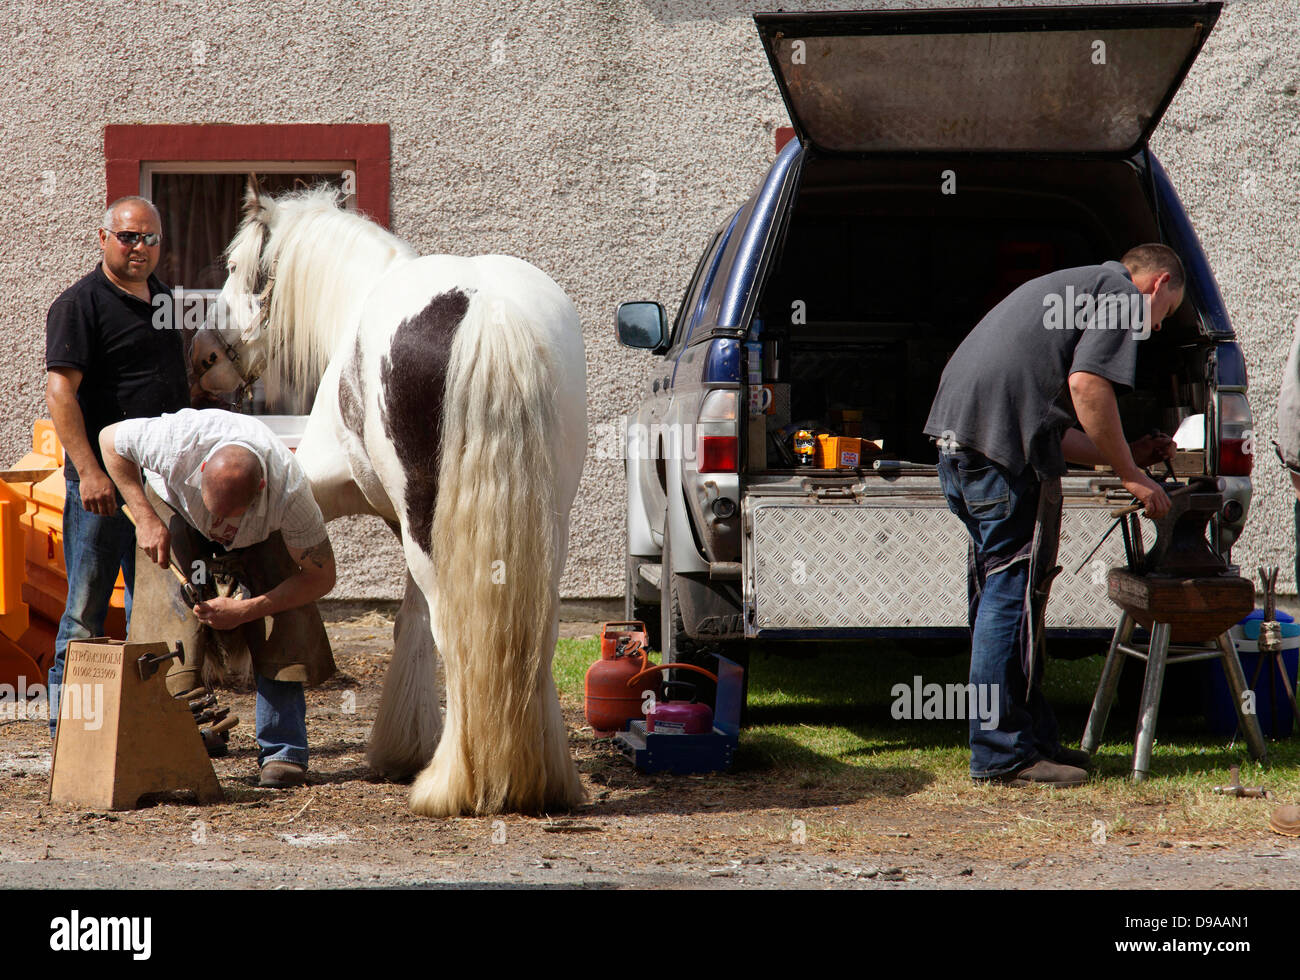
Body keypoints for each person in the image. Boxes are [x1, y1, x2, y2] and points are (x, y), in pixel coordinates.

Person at [923, 244, 1184, 787]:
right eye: (1166, 316)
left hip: (962, 448)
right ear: (1157, 285)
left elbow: (1055, 426)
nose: (1156, 330)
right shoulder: (1116, 291)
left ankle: (1031, 739)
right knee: (1009, 597)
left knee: (1006, 595)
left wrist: (1128, 452)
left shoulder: (1075, 287)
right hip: (996, 459)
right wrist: (1132, 475)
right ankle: (1001, 755)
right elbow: (1087, 388)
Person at [98, 408, 336, 788]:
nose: (218, 529)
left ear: (259, 490)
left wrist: (248, 608)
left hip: (263, 534)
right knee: (167, 616)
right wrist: (144, 518)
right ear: (200, 466)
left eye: (229, 518)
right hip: (174, 505)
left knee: (284, 620)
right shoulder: (176, 442)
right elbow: (109, 439)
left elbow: (322, 577)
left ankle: (282, 750)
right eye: (214, 514)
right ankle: (181, 740)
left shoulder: (291, 496)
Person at [44, 197, 189, 736]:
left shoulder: (165, 298)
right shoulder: (80, 304)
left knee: (156, 611)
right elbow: (61, 394)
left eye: (150, 238)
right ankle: (70, 736)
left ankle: (157, 733)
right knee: (85, 609)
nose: (139, 248)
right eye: (128, 236)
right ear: (103, 238)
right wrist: (91, 472)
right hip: (103, 484)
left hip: (159, 480)